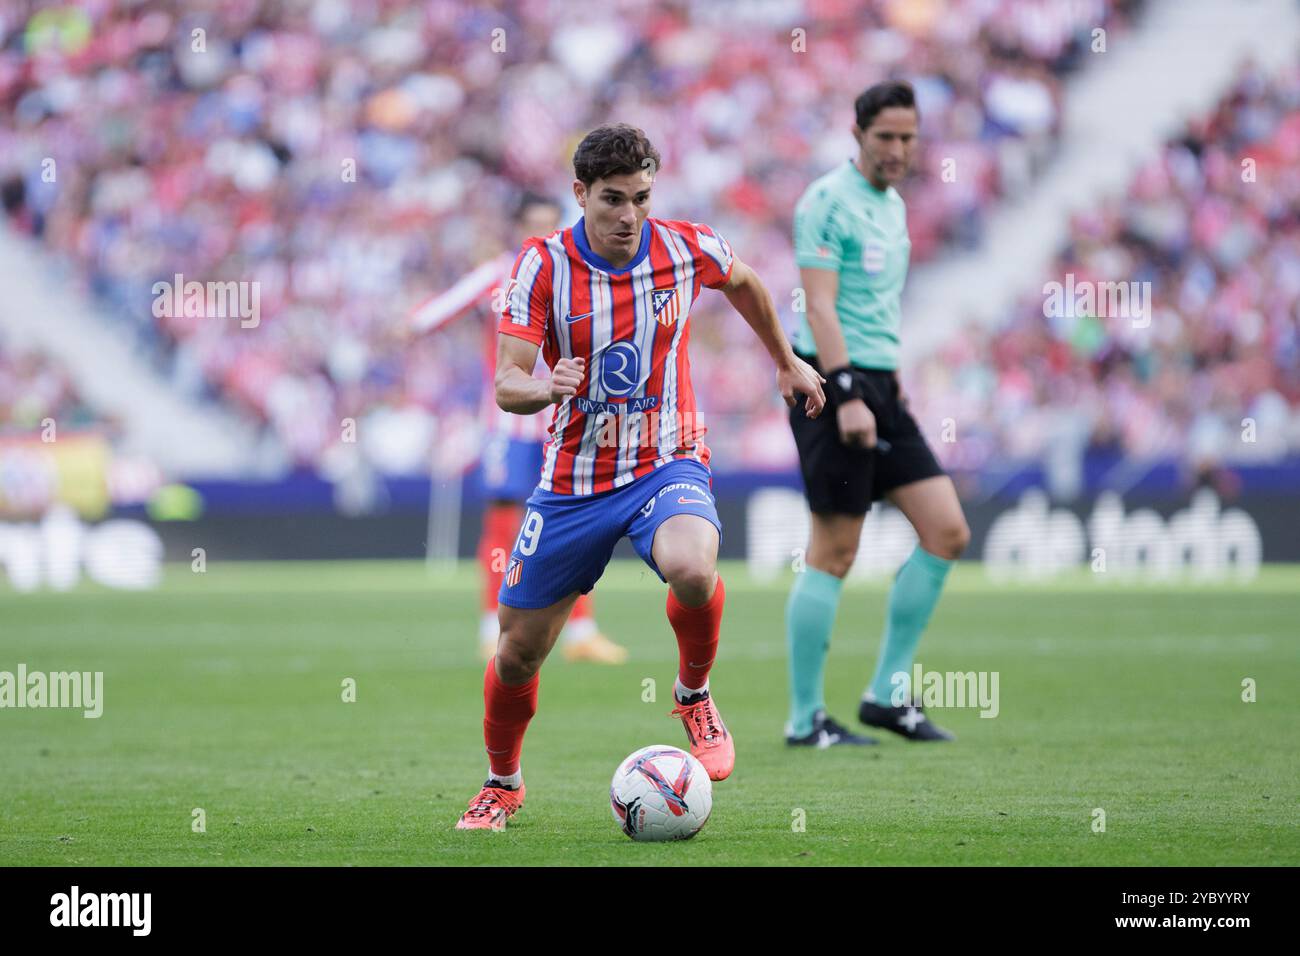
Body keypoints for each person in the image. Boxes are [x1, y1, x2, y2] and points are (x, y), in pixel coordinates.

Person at [455, 123, 826, 830]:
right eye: (612, 200)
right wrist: (548, 387)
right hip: (572, 481)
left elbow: (743, 280)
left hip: (665, 460)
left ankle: (693, 694)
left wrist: (784, 359)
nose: (629, 216)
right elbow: (508, 382)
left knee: (693, 565)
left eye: (641, 198)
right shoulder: (540, 266)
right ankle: (502, 782)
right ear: (580, 195)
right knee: (517, 652)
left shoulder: (685, 247)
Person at [784, 80, 971, 748]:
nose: (897, 149)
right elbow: (820, 305)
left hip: (883, 388)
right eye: (885, 137)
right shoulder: (826, 202)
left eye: (907, 137)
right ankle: (805, 717)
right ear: (857, 135)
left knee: (947, 530)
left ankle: (887, 696)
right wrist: (847, 392)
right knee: (834, 552)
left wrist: (883, 386)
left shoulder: (891, 205)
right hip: (833, 388)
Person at [411, 194, 627, 664]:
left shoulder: (579, 272)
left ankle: (581, 632)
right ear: (516, 228)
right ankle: (493, 628)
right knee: (505, 523)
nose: (542, 236)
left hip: (567, 422)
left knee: (576, 524)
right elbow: (432, 315)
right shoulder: (498, 275)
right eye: (533, 225)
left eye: (550, 226)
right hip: (508, 425)